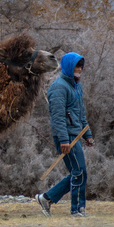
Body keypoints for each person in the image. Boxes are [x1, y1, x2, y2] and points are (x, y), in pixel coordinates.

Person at [36, 52, 94, 218]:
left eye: (81, 66)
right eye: (77, 66)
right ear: (69, 66)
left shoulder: (77, 86)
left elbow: (81, 114)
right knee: (79, 172)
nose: (80, 69)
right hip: (66, 137)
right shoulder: (58, 87)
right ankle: (77, 210)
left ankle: (46, 198)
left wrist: (87, 135)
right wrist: (63, 140)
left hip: (76, 135)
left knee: (77, 173)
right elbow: (58, 118)